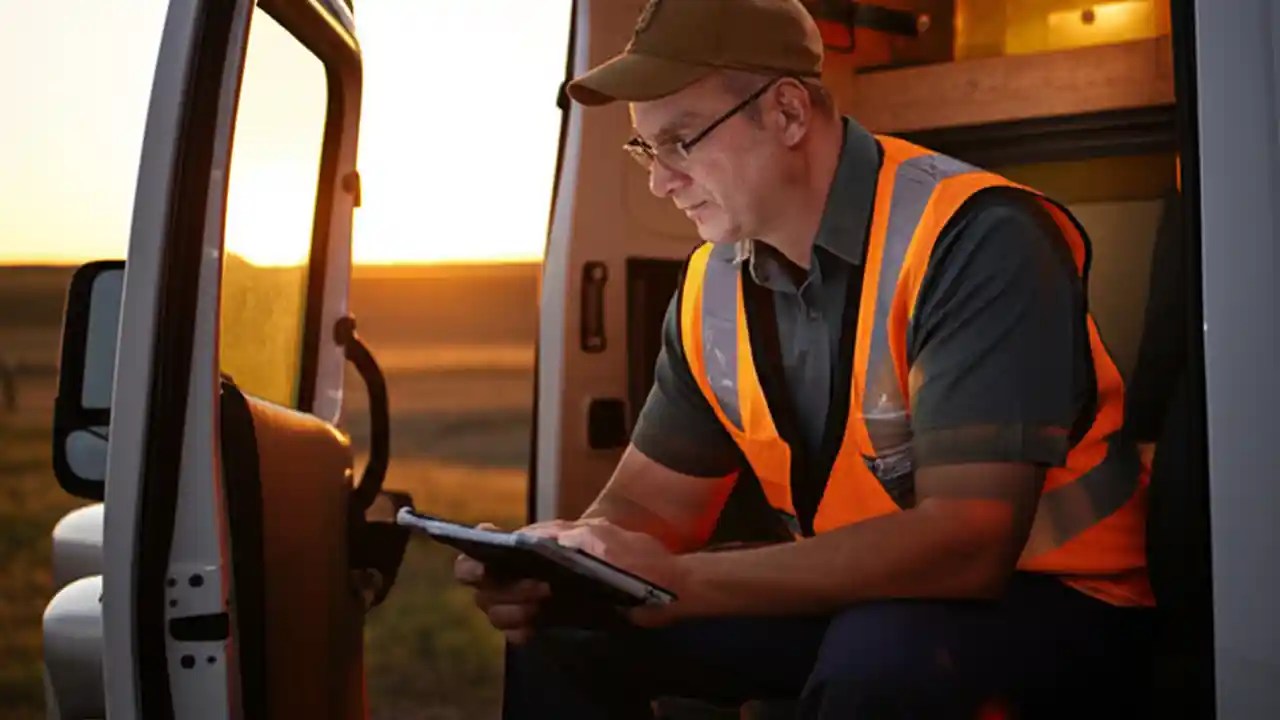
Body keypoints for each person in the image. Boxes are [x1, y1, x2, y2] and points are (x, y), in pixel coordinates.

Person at [455, 0, 1156, 717]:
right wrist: (571, 563)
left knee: (884, 658)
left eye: (683, 142)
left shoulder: (978, 238)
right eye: (646, 150)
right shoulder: (712, 284)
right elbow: (648, 505)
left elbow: (967, 545)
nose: (661, 181)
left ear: (788, 113)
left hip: (1060, 599)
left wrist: (684, 583)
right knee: (565, 632)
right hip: (864, 590)